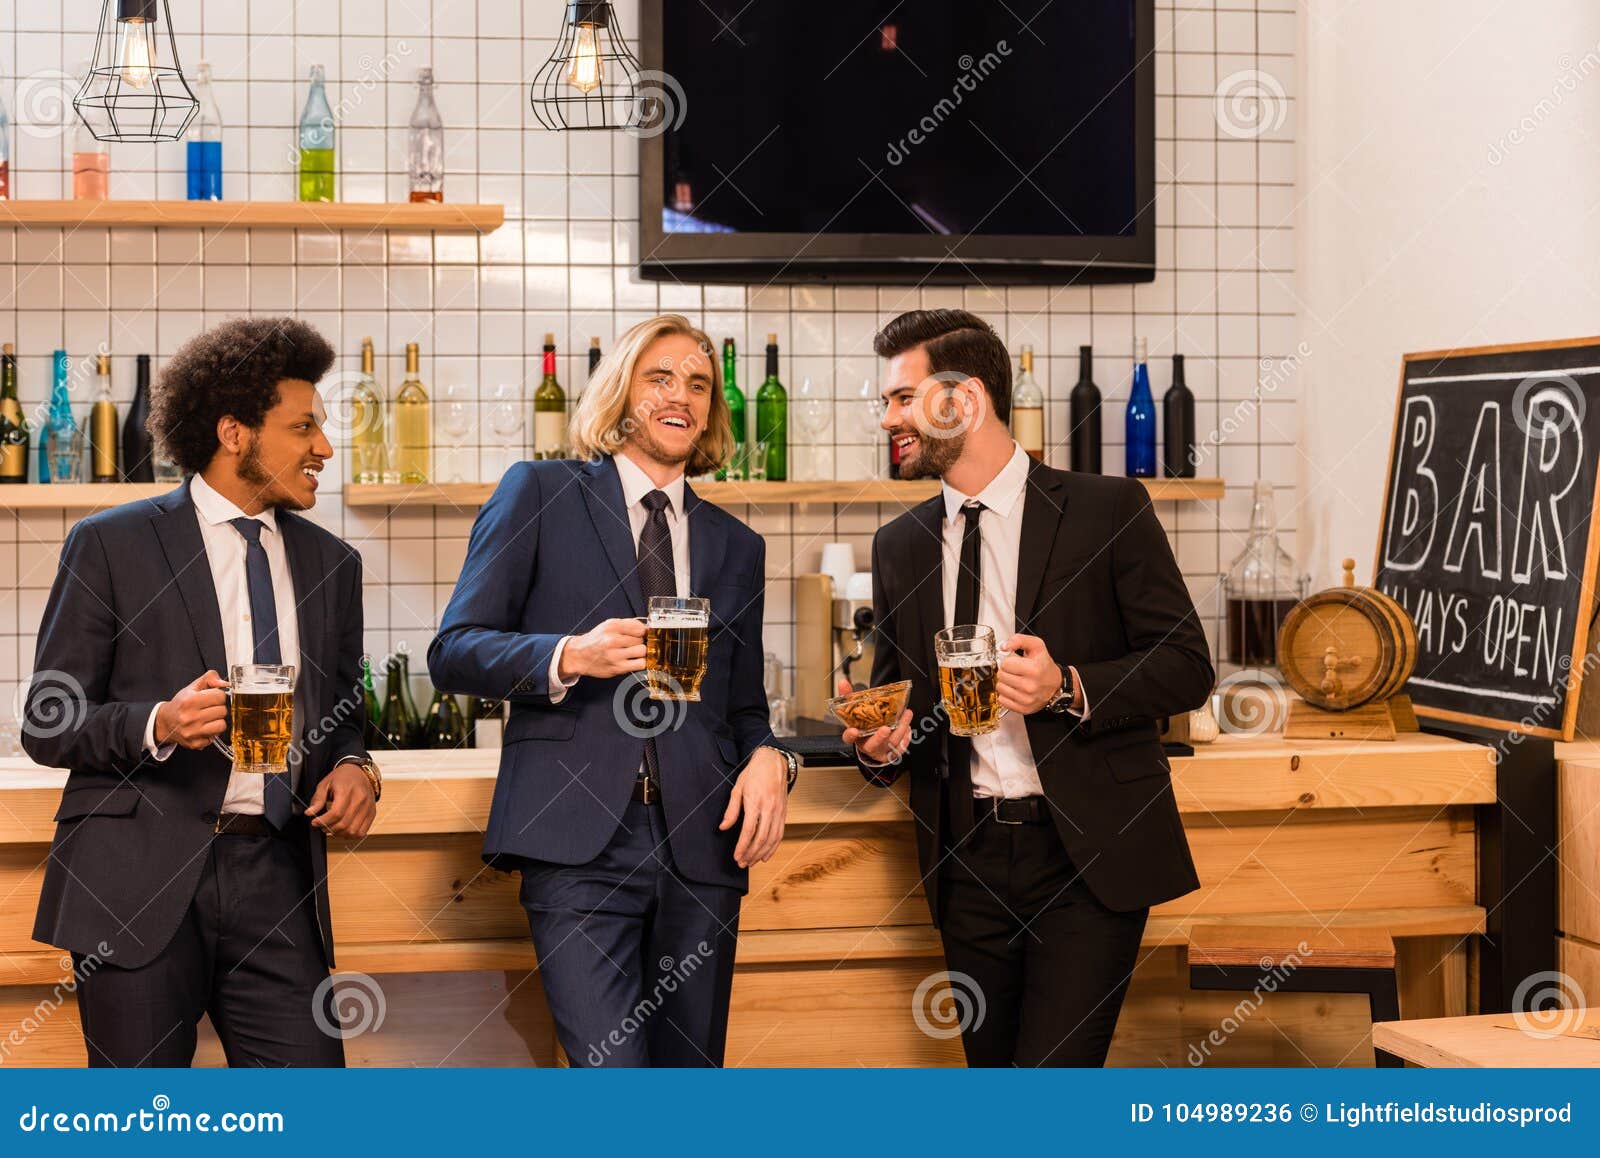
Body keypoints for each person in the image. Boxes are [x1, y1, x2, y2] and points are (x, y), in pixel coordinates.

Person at [839, 309, 1211, 1067]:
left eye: (902, 398)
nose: (888, 419)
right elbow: (901, 708)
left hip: (1084, 858)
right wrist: (880, 747)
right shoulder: (900, 545)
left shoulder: (1108, 510)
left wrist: (1067, 685)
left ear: (965, 400)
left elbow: (1186, 665)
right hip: (965, 856)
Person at [428, 313, 795, 1067]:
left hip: (703, 849)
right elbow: (455, 653)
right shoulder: (539, 492)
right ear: (621, 391)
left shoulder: (737, 546)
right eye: (659, 377)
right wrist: (570, 654)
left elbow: (745, 710)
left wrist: (773, 760)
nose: (681, 396)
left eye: (699, 384)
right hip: (578, 845)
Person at [24, 316, 380, 1068]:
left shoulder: (332, 564)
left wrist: (356, 767)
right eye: (304, 426)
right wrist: (158, 722)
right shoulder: (112, 542)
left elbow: (345, 709)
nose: (324, 448)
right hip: (138, 878)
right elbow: (47, 722)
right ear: (233, 433)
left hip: (278, 877)